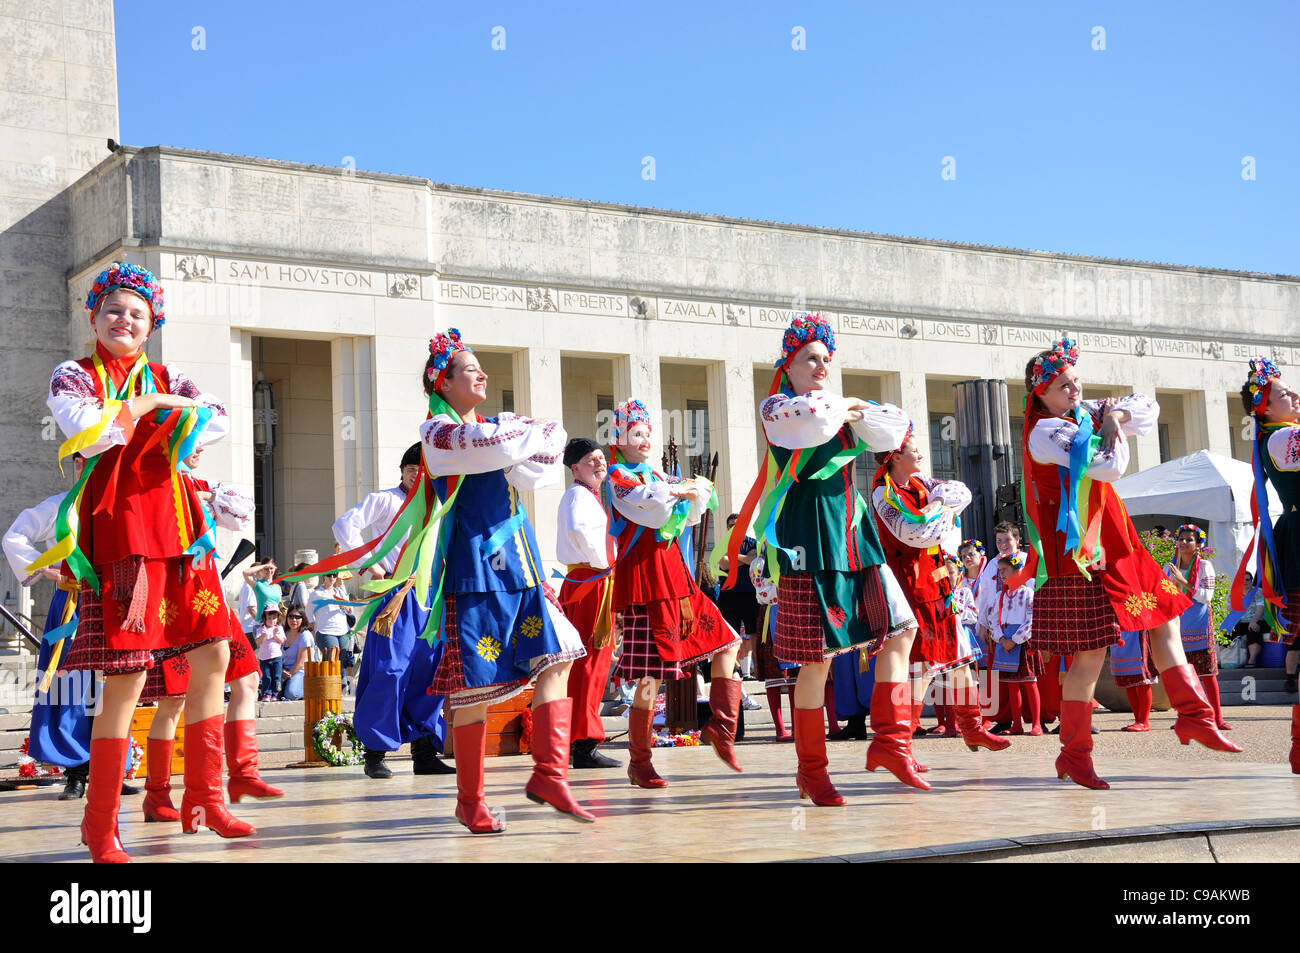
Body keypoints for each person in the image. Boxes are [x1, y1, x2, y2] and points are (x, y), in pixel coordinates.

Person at [33, 262, 252, 861]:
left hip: (183, 527)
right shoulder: (72, 375)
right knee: (126, 678)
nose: (124, 320)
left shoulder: (170, 372)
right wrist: (160, 406)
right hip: (123, 528)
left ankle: (206, 798)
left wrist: (160, 404)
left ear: (151, 323)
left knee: (215, 653)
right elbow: (93, 431)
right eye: (113, 310)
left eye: (137, 313)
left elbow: (216, 421)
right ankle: (99, 823)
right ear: (93, 317)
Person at [1017, 337, 1239, 791]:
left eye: (1076, 381)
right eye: (1063, 385)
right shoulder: (1044, 431)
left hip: (1117, 537)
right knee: (1090, 656)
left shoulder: (1082, 413)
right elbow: (1106, 466)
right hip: (1080, 551)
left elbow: (1146, 408)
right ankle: (1074, 754)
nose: (1075, 390)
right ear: (1040, 393)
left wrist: (1114, 415)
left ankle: (1194, 716)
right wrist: (1111, 426)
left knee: (1166, 618)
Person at [717, 312, 918, 806]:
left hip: (855, 537)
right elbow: (814, 422)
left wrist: (854, 406)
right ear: (788, 365)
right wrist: (848, 405)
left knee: (902, 628)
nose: (822, 365)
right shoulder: (777, 407)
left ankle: (891, 742)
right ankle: (812, 770)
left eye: (827, 358)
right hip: (808, 543)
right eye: (811, 358)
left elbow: (895, 431)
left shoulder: (839, 406)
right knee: (816, 662)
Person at [420, 329, 592, 832]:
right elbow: (499, 446)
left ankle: (549, 772)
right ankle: (470, 799)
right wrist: (527, 433)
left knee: (560, 656)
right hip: (473, 568)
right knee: (475, 688)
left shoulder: (492, 429)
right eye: (471, 369)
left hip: (523, 564)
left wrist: (530, 434)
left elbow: (546, 454)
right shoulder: (438, 433)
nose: (483, 374)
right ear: (443, 382)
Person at [608, 398, 744, 787]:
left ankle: (721, 726)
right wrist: (681, 490)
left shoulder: (654, 473)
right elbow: (648, 507)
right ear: (620, 436)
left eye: (647, 432)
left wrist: (690, 489)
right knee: (652, 678)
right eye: (636, 432)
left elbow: (692, 504)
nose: (644, 439)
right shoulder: (620, 475)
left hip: (676, 576)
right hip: (646, 582)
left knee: (728, 641)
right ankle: (640, 760)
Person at [2, 457, 140, 802]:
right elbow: (14, 536)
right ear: (78, 468)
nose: (90, 470)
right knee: (73, 689)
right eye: (84, 464)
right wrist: (47, 570)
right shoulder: (60, 508)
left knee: (113, 687)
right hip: (72, 607)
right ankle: (76, 774)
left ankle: (110, 771)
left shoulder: (120, 507)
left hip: (112, 606)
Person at [871, 422, 1009, 754]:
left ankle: (972, 727)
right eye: (913, 449)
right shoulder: (883, 493)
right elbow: (915, 533)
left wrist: (937, 509)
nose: (920, 453)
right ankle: (899, 743)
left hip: (937, 586)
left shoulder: (920, 481)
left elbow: (960, 491)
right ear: (894, 457)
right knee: (922, 667)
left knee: (959, 658)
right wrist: (940, 512)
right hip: (910, 590)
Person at [326, 443, 451, 779]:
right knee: (389, 669)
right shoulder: (386, 499)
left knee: (429, 669)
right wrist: (371, 565)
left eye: (424, 470)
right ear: (402, 471)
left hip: (430, 595)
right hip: (396, 595)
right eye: (413, 469)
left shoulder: (438, 504)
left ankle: (424, 752)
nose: (418, 475)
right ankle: (375, 752)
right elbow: (345, 526)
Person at [1234, 357, 1300, 772]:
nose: (1293, 394)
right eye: (1282, 393)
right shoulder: (1280, 439)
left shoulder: (1284, 433)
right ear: (1265, 409)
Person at [555, 437, 621, 769]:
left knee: (595, 662)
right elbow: (581, 533)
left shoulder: (591, 497)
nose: (599, 463)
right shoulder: (577, 495)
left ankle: (581, 738)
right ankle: (582, 741)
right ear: (574, 468)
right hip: (591, 582)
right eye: (590, 460)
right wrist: (609, 563)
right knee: (589, 663)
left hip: (595, 582)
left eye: (600, 458)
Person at [1166, 524, 1231, 730]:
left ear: (1197, 545)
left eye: (1189, 540)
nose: (1183, 543)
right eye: (1181, 539)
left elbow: (1206, 597)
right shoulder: (1169, 567)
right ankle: (1186, 716)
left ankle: (1217, 719)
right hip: (1177, 627)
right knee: (1182, 676)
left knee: (1208, 674)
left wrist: (1183, 582)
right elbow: (1164, 594)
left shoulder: (1205, 566)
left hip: (1200, 625)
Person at [982, 553, 1042, 735]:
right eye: (999, 570)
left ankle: (1036, 724)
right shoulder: (1000, 596)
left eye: (1005, 569)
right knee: (1011, 684)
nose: (1002, 574)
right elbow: (993, 619)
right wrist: (1000, 639)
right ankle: (1016, 724)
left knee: (1030, 682)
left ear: (1018, 570)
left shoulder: (1028, 594)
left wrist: (1015, 640)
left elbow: (1032, 620)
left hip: (1022, 642)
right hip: (1004, 642)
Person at [717, 513, 761, 680]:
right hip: (729, 595)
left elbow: (754, 560)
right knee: (730, 635)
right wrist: (745, 558)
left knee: (753, 634)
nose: (734, 528)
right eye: (731, 525)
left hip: (751, 594)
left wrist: (734, 558)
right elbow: (723, 563)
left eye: (737, 524)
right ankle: (733, 671)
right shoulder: (722, 544)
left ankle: (756, 670)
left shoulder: (752, 542)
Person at [1109, 630, 1156, 732]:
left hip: (1137, 630)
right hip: (1122, 632)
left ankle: (1144, 722)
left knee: (1142, 681)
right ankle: (1138, 720)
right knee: (1128, 681)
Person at [280, 610, 317, 700]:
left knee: (291, 694)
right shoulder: (284, 633)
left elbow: (301, 663)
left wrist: (287, 674)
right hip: (284, 671)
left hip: (301, 671)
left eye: (297, 617)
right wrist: (281, 670)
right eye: (291, 616)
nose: (294, 620)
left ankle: (310, 689)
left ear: (303, 619)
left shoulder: (305, 635)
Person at [255, 605, 286, 700]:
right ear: (264, 618)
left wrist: (275, 635)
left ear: (277, 619)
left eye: (274, 618)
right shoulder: (260, 629)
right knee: (267, 676)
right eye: (269, 618)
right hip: (264, 658)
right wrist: (264, 635)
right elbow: (258, 642)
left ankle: (276, 693)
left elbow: (282, 640)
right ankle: (267, 693)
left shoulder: (279, 628)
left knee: (277, 676)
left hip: (276, 657)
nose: (272, 620)